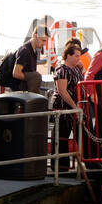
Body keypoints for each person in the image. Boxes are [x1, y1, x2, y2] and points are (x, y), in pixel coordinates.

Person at [51, 45, 81, 173]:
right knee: (61, 135)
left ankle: (64, 165)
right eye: (76, 56)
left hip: (74, 107)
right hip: (63, 107)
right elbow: (62, 91)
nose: (79, 59)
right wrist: (74, 107)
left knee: (68, 134)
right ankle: (60, 166)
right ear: (68, 55)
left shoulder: (75, 69)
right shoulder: (62, 69)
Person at [12, 28, 44, 93]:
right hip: (21, 92)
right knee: (36, 76)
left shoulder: (34, 50)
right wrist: (32, 78)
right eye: (43, 40)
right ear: (35, 36)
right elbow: (16, 73)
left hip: (26, 91)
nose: (44, 43)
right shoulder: (25, 50)